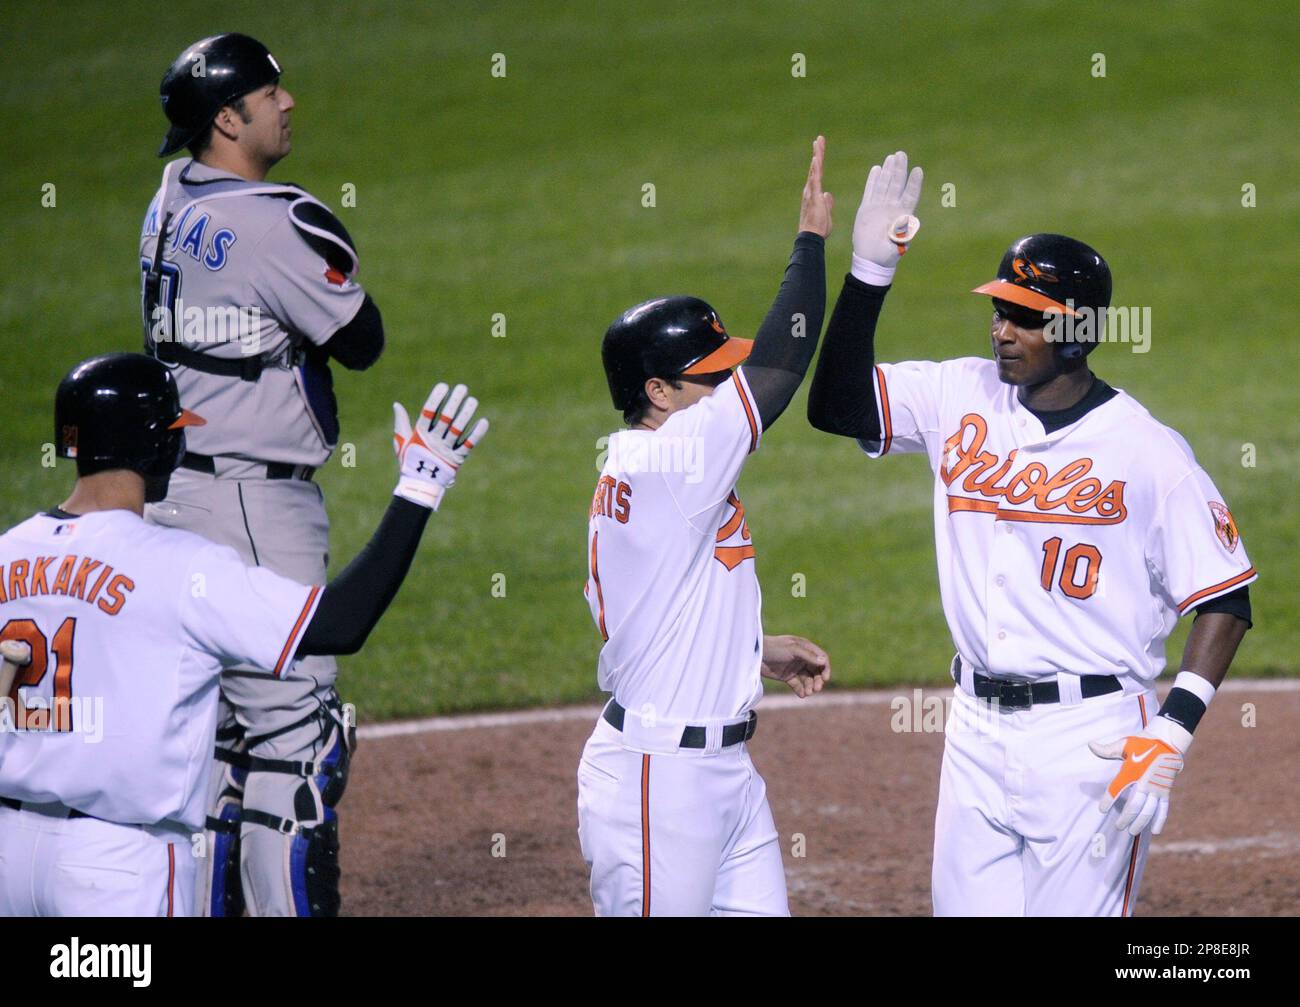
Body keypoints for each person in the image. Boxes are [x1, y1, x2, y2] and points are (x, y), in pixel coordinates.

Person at [807, 152, 1256, 916]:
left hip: (1093, 740)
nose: (1002, 330)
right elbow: (837, 406)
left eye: (1024, 317)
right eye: (999, 311)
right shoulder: (959, 395)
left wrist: (1174, 732)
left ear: (1077, 329)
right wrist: (867, 275)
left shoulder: (1146, 450)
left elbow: (1226, 597)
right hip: (974, 732)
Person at [0, 353, 487, 917]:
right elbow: (340, 623)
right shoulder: (180, 569)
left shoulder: (9, 552)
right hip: (114, 869)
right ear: (157, 447)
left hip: (10, 855)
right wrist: (419, 488)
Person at [140, 33, 385, 915]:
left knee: (213, 739)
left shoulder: (167, 199)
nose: (288, 104)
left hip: (171, 500)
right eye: (268, 94)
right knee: (296, 739)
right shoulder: (275, 218)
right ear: (226, 117)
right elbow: (362, 341)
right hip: (252, 505)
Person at [578, 137, 837, 916]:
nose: (727, 387)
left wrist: (755, 650)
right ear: (657, 389)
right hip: (661, 780)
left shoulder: (661, 460)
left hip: (721, 774)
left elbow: (665, 607)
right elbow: (785, 365)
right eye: (711, 376)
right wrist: (813, 244)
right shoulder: (672, 458)